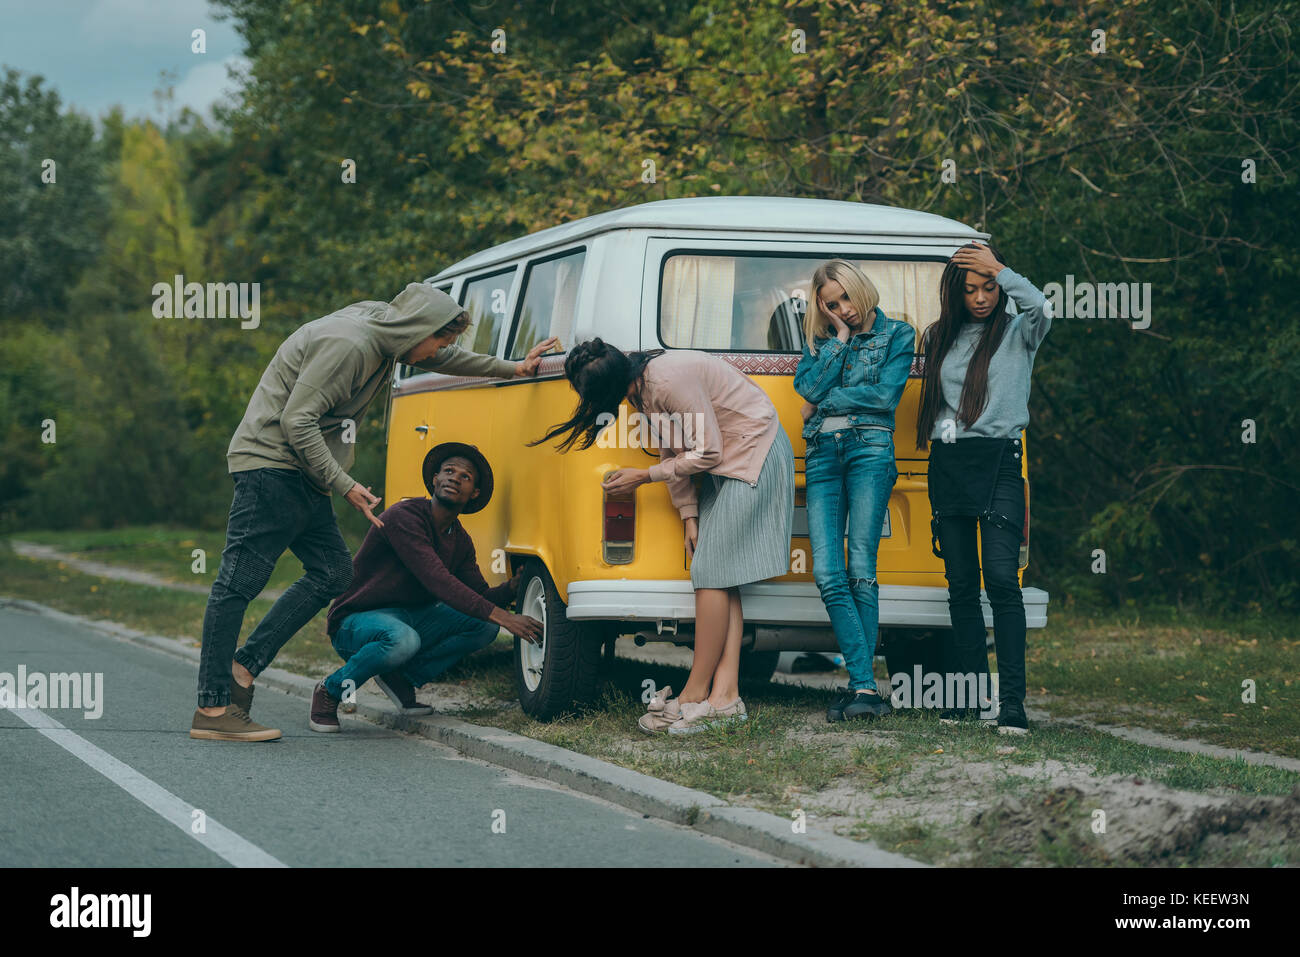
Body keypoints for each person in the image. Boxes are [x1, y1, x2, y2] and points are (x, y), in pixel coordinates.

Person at [190, 281, 556, 742]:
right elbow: (296, 420)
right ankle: (213, 704)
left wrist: (513, 368)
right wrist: (345, 486)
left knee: (333, 573)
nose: (440, 352)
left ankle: (244, 667)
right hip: (271, 466)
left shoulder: (389, 330)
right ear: (418, 330)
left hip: (305, 473)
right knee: (237, 583)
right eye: (439, 340)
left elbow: (442, 359)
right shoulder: (349, 346)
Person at [531, 339, 795, 735]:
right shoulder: (642, 388)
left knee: (709, 574)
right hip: (729, 459)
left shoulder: (668, 380)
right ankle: (725, 697)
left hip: (753, 450)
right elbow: (670, 452)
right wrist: (689, 515)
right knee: (724, 576)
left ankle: (693, 693)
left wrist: (641, 478)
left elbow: (707, 451)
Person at [309, 443, 543, 732]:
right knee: (404, 639)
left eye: (465, 476)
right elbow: (437, 580)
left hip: (409, 620)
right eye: (448, 471)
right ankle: (330, 690)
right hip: (355, 622)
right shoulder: (405, 516)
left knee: (484, 627)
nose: (454, 478)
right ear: (434, 479)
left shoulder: (459, 540)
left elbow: (479, 597)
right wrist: (506, 617)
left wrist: (511, 588)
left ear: (475, 494)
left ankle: (402, 677)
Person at [915, 241, 1051, 735]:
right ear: (957, 292)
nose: (981, 297)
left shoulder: (1020, 331)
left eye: (989, 286)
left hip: (1001, 461)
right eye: (971, 288)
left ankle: (1012, 703)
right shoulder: (940, 337)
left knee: (1000, 577)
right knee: (962, 586)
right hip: (950, 462)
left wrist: (1001, 268)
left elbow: (1042, 304)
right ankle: (973, 698)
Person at [794, 260, 915, 723]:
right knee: (828, 572)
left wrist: (825, 401)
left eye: (846, 297)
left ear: (860, 290)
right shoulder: (822, 342)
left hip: (870, 450)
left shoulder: (898, 335)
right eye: (831, 304)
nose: (843, 309)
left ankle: (861, 687)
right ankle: (866, 686)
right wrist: (841, 343)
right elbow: (804, 386)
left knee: (861, 568)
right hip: (823, 454)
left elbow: (886, 398)